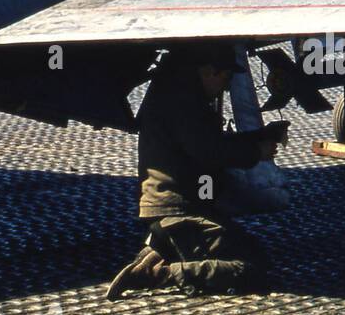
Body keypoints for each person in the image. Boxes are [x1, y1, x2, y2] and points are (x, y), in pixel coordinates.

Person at [106, 41, 285, 299]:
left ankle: (163, 249)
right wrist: (256, 152)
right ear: (209, 71)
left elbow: (206, 142)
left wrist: (258, 136)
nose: (225, 85)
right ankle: (159, 273)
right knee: (252, 267)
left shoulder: (177, 91)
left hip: (173, 206)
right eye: (225, 77)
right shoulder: (182, 100)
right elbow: (208, 151)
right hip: (179, 210)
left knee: (243, 251)